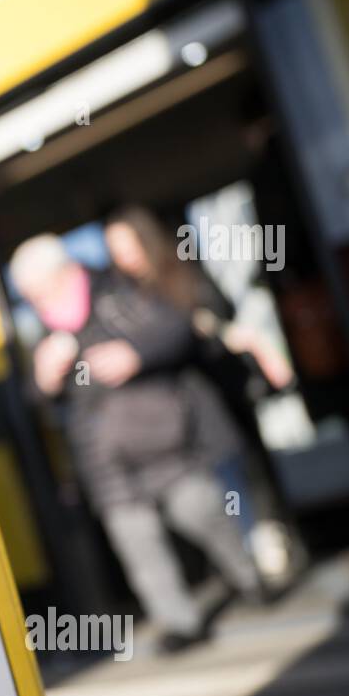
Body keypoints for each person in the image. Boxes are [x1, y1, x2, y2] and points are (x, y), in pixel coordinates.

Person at [11, 234, 264, 652]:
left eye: (39, 291)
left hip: (161, 435)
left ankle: (247, 578)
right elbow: (35, 397)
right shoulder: (41, 329)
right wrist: (43, 380)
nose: (36, 301)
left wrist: (134, 355)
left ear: (61, 274)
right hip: (104, 457)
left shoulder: (116, 291)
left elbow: (177, 329)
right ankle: (180, 623)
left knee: (200, 511)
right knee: (138, 543)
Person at [103, 206, 299, 580]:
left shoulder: (182, 276)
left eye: (128, 245)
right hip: (170, 411)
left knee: (239, 473)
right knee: (212, 488)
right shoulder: (125, 296)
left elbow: (217, 320)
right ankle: (248, 563)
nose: (124, 256)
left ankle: (267, 551)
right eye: (116, 249)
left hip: (213, 394)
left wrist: (202, 328)